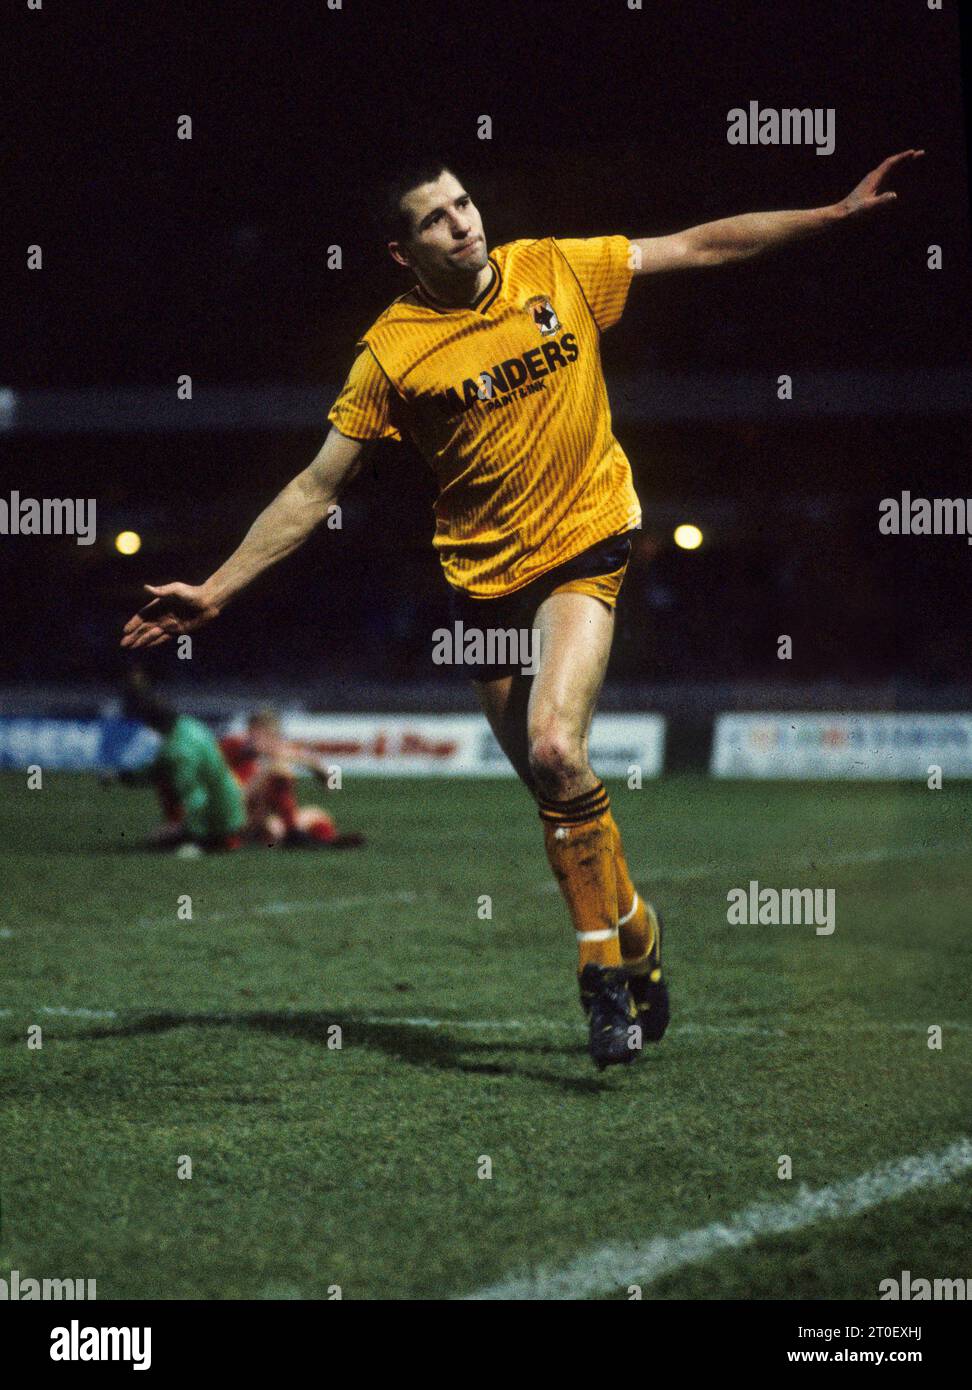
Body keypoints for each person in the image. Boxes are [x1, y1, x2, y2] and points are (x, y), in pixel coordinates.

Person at [121, 149, 923, 1065]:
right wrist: (216, 589)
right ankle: (638, 933)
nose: (464, 222)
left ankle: (601, 983)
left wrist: (828, 216)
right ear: (401, 251)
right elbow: (314, 487)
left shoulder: (555, 267)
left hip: (586, 542)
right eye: (437, 218)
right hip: (481, 585)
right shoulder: (390, 352)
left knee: (554, 746)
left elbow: (697, 246)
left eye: (465, 203)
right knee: (556, 786)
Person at [112, 679, 246, 855]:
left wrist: (194, 839)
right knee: (160, 836)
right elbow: (159, 770)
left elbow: (196, 798)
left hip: (219, 824)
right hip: (231, 811)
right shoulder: (188, 726)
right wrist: (125, 777)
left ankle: (205, 840)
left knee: (157, 839)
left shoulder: (178, 751)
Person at [220, 709, 364, 848]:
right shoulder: (232, 747)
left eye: (272, 736)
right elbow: (237, 800)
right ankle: (294, 834)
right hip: (235, 822)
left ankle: (325, 841)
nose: (267, 741)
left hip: (261, 824)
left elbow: (333, 778)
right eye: (259, 734)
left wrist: (324, 776)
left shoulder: (276, 752)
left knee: (319, 816)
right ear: (249, 732)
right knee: (278, 770)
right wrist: (271, 767)